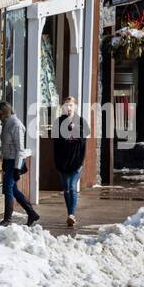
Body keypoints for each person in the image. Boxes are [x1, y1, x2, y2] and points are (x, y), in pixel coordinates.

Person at [0, 101, 40, 227]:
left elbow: (20, 149)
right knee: (13, 189)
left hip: (14, 161)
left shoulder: (16, 125)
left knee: (8, 189)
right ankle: (31, 213)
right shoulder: (6, 124)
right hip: (8, 160)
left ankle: (7, 219)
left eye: (0, 116)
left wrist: (16, 168)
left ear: (5, 113)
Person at [53, 97, 89, 228]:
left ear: (75, 107)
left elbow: (83, 143)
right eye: (66, 105)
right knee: (66, 189)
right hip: (62, 162)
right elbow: (56, 144)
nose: (68, 108)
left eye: (71, 105)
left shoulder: (81, 122)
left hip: (76, 162)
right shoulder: (58, 122)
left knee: (72, 187)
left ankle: (71, 215)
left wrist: (80, 162)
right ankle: (70, 214)